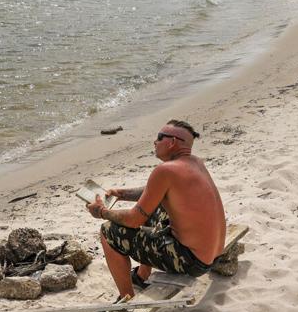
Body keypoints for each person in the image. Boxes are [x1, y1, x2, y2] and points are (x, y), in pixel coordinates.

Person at [86, 119, 226, 299]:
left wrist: (102, 212)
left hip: (190, 261)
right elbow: (157, 193)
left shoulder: (165, 171)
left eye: (159, 137)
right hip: (211, 255)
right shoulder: (195, 163)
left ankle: (126, 297)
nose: (155, 142)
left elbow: (134, 219)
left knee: (108, 231)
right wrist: (122, 194)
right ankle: (142, 276)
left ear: (172, 142)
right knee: (154, 209)